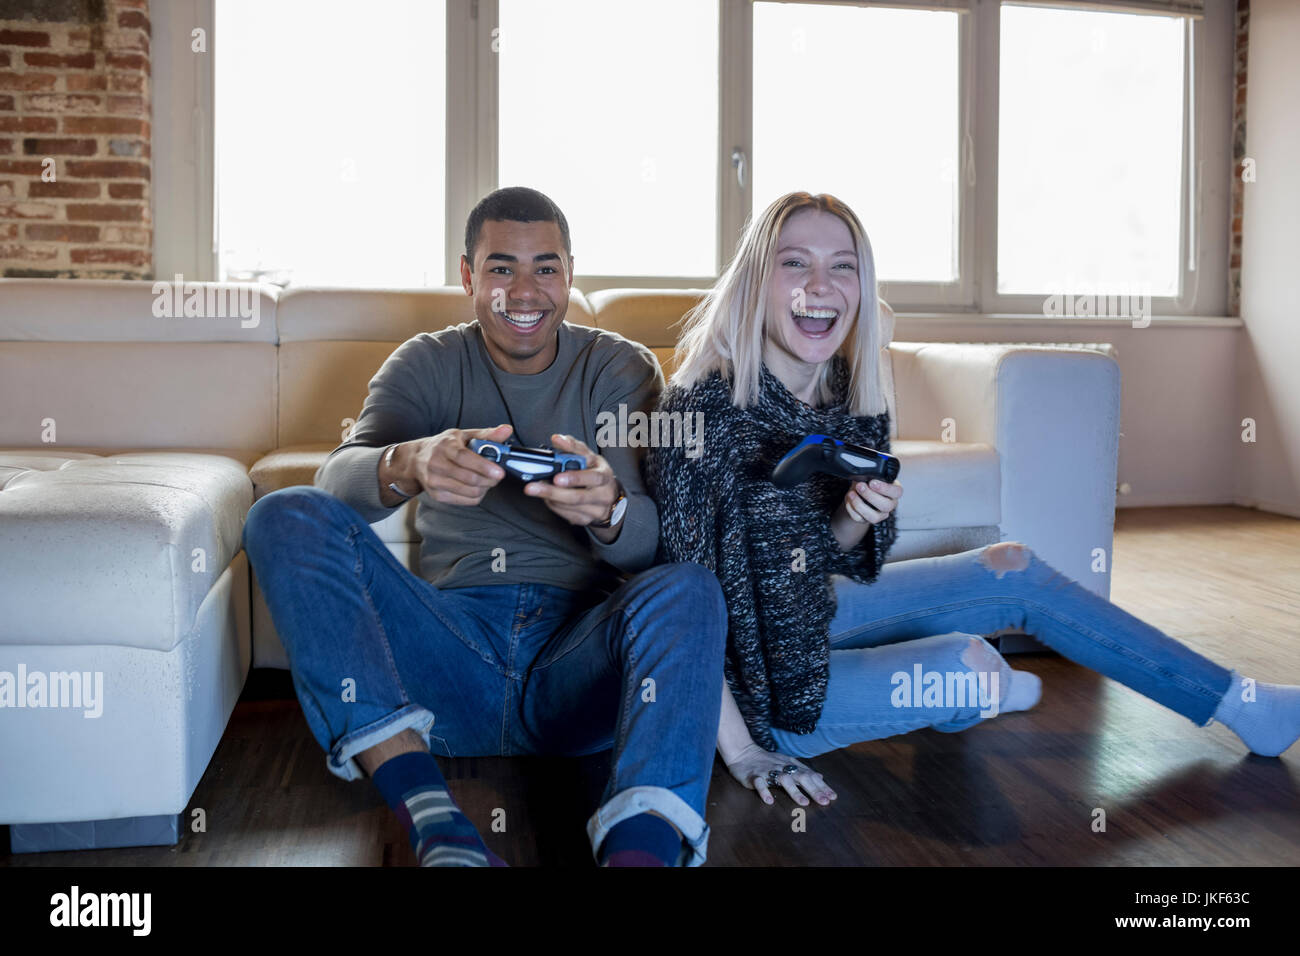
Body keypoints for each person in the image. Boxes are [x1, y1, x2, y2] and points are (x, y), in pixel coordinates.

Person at [645, 190, 1300, 809]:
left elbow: (812, 560)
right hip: (754, 690)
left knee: (1008, 564)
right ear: (756, 281)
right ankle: (976, 688)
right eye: (795, 263)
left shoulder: (842, 387)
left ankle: (1244, 704)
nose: (821, 285)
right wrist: (744, 750)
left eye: (842, 267)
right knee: (967, 667)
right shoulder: (700, 412)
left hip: (807, 614)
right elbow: (685, 608)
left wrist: (848, 517)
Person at [242, 186, 727, 866]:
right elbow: (333, 488)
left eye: (546, 268)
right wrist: (409, 462)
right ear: (468, 275)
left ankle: (638, 855)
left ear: (570, 274)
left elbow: (656, 552)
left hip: (579, 673)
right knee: (279, 513)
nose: (525, 292)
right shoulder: (427, 362)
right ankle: (440, 828)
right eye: (502, 268)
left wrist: (611, 509)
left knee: (693, 585)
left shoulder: (617, 367)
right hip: (449, 659)